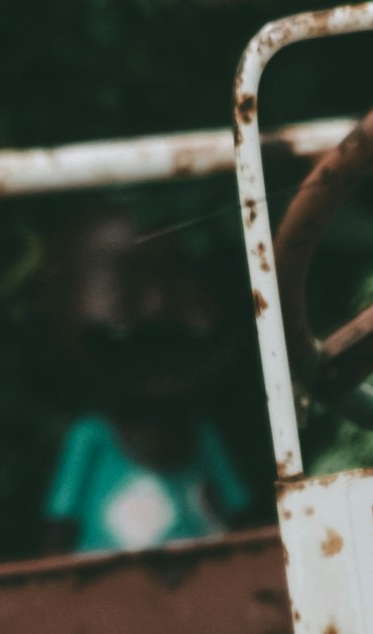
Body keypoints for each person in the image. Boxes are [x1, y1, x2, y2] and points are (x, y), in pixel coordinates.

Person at [35, 203, 255, 558]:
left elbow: (240, 513)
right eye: (126, 288)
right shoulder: (92, 438)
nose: (154, 307)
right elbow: (59, 526)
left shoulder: (200, 434)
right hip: (107, 589)